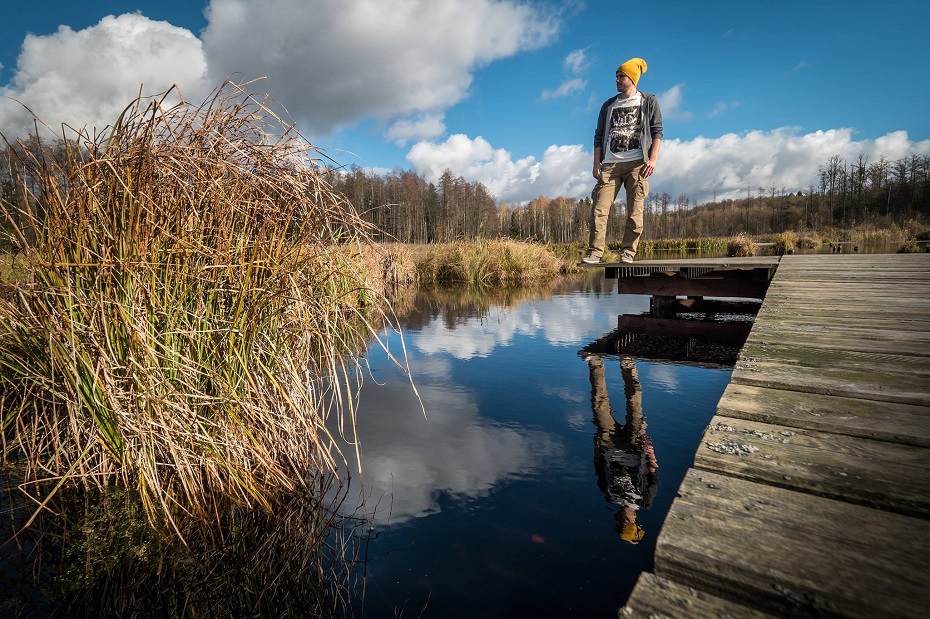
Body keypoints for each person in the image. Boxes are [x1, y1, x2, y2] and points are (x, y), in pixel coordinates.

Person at [583, 58, 663, 265]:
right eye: (617, 76)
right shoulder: (608, 105)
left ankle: (627, 252)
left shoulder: (648, 101)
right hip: (610, 164)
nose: (617, 80)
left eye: (621, 76)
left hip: (637, 163)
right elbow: (598, 135)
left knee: (635, 211)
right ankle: (595, 253)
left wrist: (652, 160)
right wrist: (596, 163)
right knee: (599, 210)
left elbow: (657, 132)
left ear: (632, 78)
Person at [585, 353, 659, 544]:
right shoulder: (645, 501)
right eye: (627, 525)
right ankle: (628, 363)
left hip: (609, 445)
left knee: (599, 404)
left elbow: (599, 469)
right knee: (634, 401)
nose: (623, 521)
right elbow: (652, 474)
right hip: (636, 447)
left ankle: (595, 362)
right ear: (635, 522)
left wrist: (596, 448)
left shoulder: (609, 496)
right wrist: (650, 453)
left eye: (620, 524)